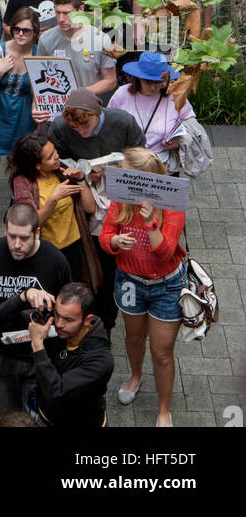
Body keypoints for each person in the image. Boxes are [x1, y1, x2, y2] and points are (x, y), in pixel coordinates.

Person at [100, 146, 187, 426]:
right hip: (130, 281)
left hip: (166, 285)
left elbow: (165, 252)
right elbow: (105, 236)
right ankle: (135, 375)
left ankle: (163, 409)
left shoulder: (172, 204)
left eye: (126, 173)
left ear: (145, 178)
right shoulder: (122, 200)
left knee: (162, 353)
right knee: (134, 337)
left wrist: (151, 222)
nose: (121, 177)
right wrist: (115, 242)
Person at [48, 88, 145, 332]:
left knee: (113, 264)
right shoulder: (60, 128)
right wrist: (81, 173)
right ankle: (90, 318)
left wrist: (111, 169)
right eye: (76, 129)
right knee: (92, 264)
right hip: (86, 201)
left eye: (86, 126)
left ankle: (107, 322)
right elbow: (59, 162)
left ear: (97, 114)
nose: (81, 132)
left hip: (121, 198)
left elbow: (142, 158)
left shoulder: (123, 122)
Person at [0, 202, 72, 418]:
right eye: (11, 236)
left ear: (37, 232)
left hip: (40, 354)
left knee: (37, 416)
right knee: (9, 416)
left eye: (24, 238)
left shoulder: (56, 261)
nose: (16, 244)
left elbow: (69, 307)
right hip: (0, 353)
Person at [0, 280, 114, 426]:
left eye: (68, 319)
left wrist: (38, 345)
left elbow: (56, 392)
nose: (59, 324)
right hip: (45, 416)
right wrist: (23, 297)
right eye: (57, 314)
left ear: (88, 320)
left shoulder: (101, 360)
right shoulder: (55, 326)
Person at [10, 130, 97, 278]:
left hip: (75, 243)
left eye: (55, 150)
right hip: (47, 249)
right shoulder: (23, 182)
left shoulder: (63, 171)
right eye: (50, 157)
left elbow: (90, 208)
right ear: (37, 165)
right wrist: (54, 199)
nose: (56, 157)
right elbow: (30, 224)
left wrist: (81, 178)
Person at [0, 8, 39, 229]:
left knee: (17, 164)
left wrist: (38, 116)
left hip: (22, 115)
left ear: (35, 32)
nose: (21, 34)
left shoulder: (38, 53)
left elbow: (38, 90)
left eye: (26, 30)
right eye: (17, 29)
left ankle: (15, 200)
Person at [107, 50, 197, 160]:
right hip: (129, 161)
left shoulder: (175, 97)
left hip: (162, 163)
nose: (153, 87)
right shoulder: (122, 94)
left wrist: (179, 141)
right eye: (148, 82)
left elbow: (191, 125)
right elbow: (109, 123)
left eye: (159, 82)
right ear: (138, 78)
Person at [36, 0, 117, 98]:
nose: (60, 19)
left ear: (81, 9)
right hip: (57, 108)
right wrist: (36, 105)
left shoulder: (101, 39)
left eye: (66, 13)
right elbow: (38, 77)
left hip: (89, 107)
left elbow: (110, 81)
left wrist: (79, 93)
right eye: (57, 12)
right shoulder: (46, 39)